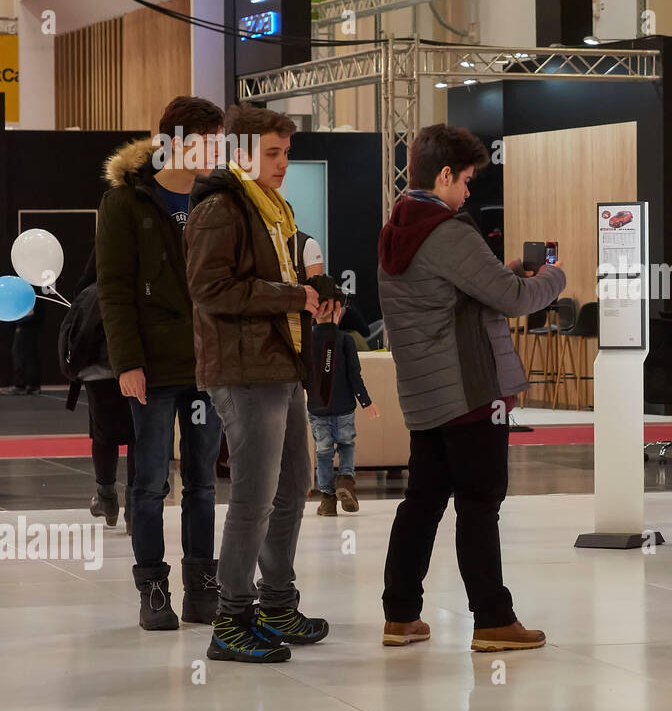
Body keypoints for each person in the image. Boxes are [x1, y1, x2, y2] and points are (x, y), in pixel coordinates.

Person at [378, 124, 564, 651]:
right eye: (465, 180)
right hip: (471, 391)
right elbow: (513, 299)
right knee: (480, 503)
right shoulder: (450, 231)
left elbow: (454, 295)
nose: (467, 192)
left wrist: (499, 274)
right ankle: (492, 620)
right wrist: (553, 278)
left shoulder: (398, 228)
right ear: (443, 176)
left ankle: (400, 614)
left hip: (427, 392)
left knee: (422, 502)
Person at [186, 102, 327, 663]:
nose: (283, 163)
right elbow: (210, 290)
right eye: (272, 153)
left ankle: (274, 603)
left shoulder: (273, 210)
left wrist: (311, 299)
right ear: (240, 154)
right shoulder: (222, 208)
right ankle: (232, 619)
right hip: (244, 371)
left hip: (279, 364)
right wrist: (294, 296)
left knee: (293, 486)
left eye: (286, 153)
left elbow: (270, 280)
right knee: (254, 495)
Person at [97, 97, 225, 630]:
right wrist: (127, 361)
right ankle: (153, 588)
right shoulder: (126, 203)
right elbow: (114, 291)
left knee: (203, 482)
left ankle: (201, 587)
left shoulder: (218, 199)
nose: (219, 150)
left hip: (209, 366)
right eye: (209, 139)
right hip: (151, 368)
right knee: (149, 483)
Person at [65, 251, 135, 532]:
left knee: (103, 436)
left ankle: (107, 499)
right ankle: (136, 508)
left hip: (99, 372)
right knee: (138, 436)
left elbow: (80, 292)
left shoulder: (99, 261)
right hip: (138, 365)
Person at [306, 273, 377, 516]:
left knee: (323, 453)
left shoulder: (306, 340)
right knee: (347, 444)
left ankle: (327, 500)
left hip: (317, 408)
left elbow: (302, 377)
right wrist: (366, 402)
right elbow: (354, 376)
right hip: (345, 406)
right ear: (337, 308)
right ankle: (346, 481)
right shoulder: (345, 340)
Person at [2, 300, 42, 395]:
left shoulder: (28, 293)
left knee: (19, 354)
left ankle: (20, 385)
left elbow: (30, 313)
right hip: (27, 324)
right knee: (29, 356)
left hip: (26, 325)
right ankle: (32, 385)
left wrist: (18, 321)